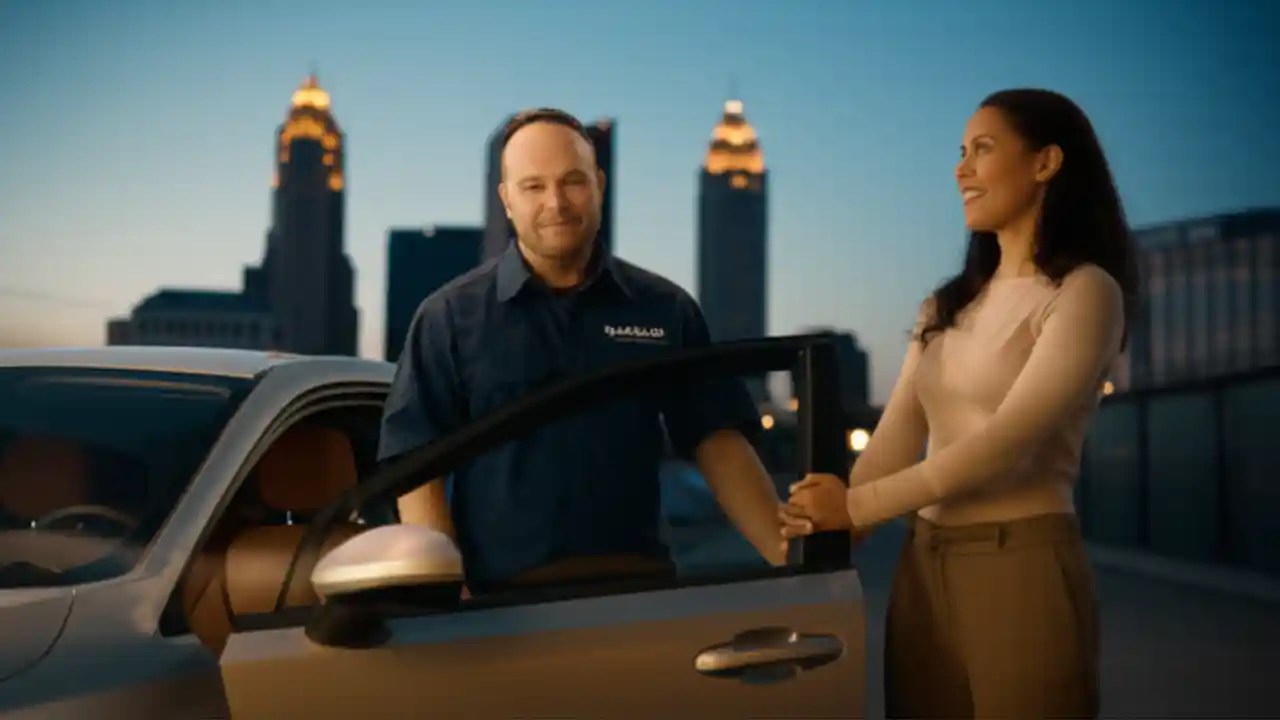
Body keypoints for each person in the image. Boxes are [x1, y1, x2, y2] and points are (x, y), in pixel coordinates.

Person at [783, 88, 1139, 719]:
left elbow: (1005, 443)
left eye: (983, 149)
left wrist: (856, 505)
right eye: (960, 152)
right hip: (923, 567)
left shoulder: (1086, 293)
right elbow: (893, 441)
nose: (960, 168)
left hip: (1022, 564)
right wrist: (825, 537)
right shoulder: (945, 307)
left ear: (1045, 163)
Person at [379, 107, 788, 595]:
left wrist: (790, 556)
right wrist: (447, 593)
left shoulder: (664, 308)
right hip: (497, 610)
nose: (556, 202)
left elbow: (717, 443)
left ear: (599, 184)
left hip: (637, 594)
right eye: (533, 187)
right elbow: (416, 469)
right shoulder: (448, 317)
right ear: (506, 200)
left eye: (572, 181)